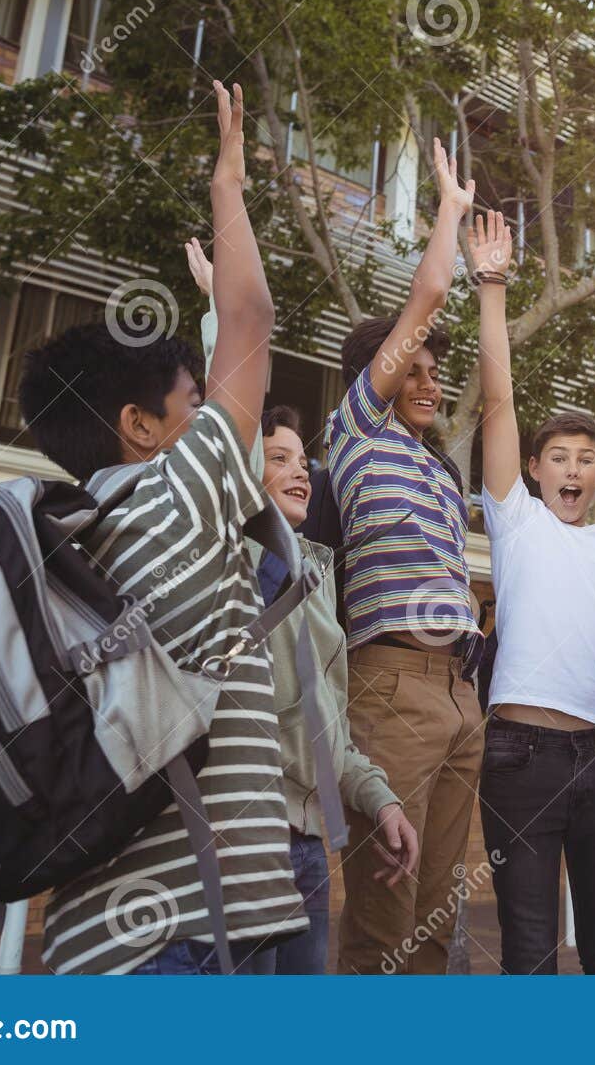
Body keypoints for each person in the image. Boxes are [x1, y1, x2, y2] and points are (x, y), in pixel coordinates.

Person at [19, 83, 305, 974]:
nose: (214, 417)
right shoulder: (174, 498)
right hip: (178, 939)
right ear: (141, 428)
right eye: (191, 403)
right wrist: (227, 184)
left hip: (117, 937)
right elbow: (254, 322)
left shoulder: (82, 537)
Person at [187, 241, 421, 973]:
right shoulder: (223, 549)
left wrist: (380, 801)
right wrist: (222, 315)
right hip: (231, 840)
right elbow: (229, 422)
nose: (297, 470)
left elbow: (332, 732)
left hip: (306, 845)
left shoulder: (316, 582)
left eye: (302, 460)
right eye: (277, 455)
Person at [324, 139, 485, 974]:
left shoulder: (435, 467)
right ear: (377, 376)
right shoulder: (355, 432)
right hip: (390, 686)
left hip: (459, 695)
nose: (426, 381)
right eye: (410, 368)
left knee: (435, 921)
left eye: (434, 372)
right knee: (385, 915)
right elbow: (425, 295)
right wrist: (451, 213)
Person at [472, 209, 595, 974]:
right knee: (531, 946)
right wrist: (492, 285)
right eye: (558, 456)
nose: (572, 469)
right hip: (521, 758)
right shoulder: (515, 522)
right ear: (535, 470)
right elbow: (500, 403)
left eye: (587, 458)